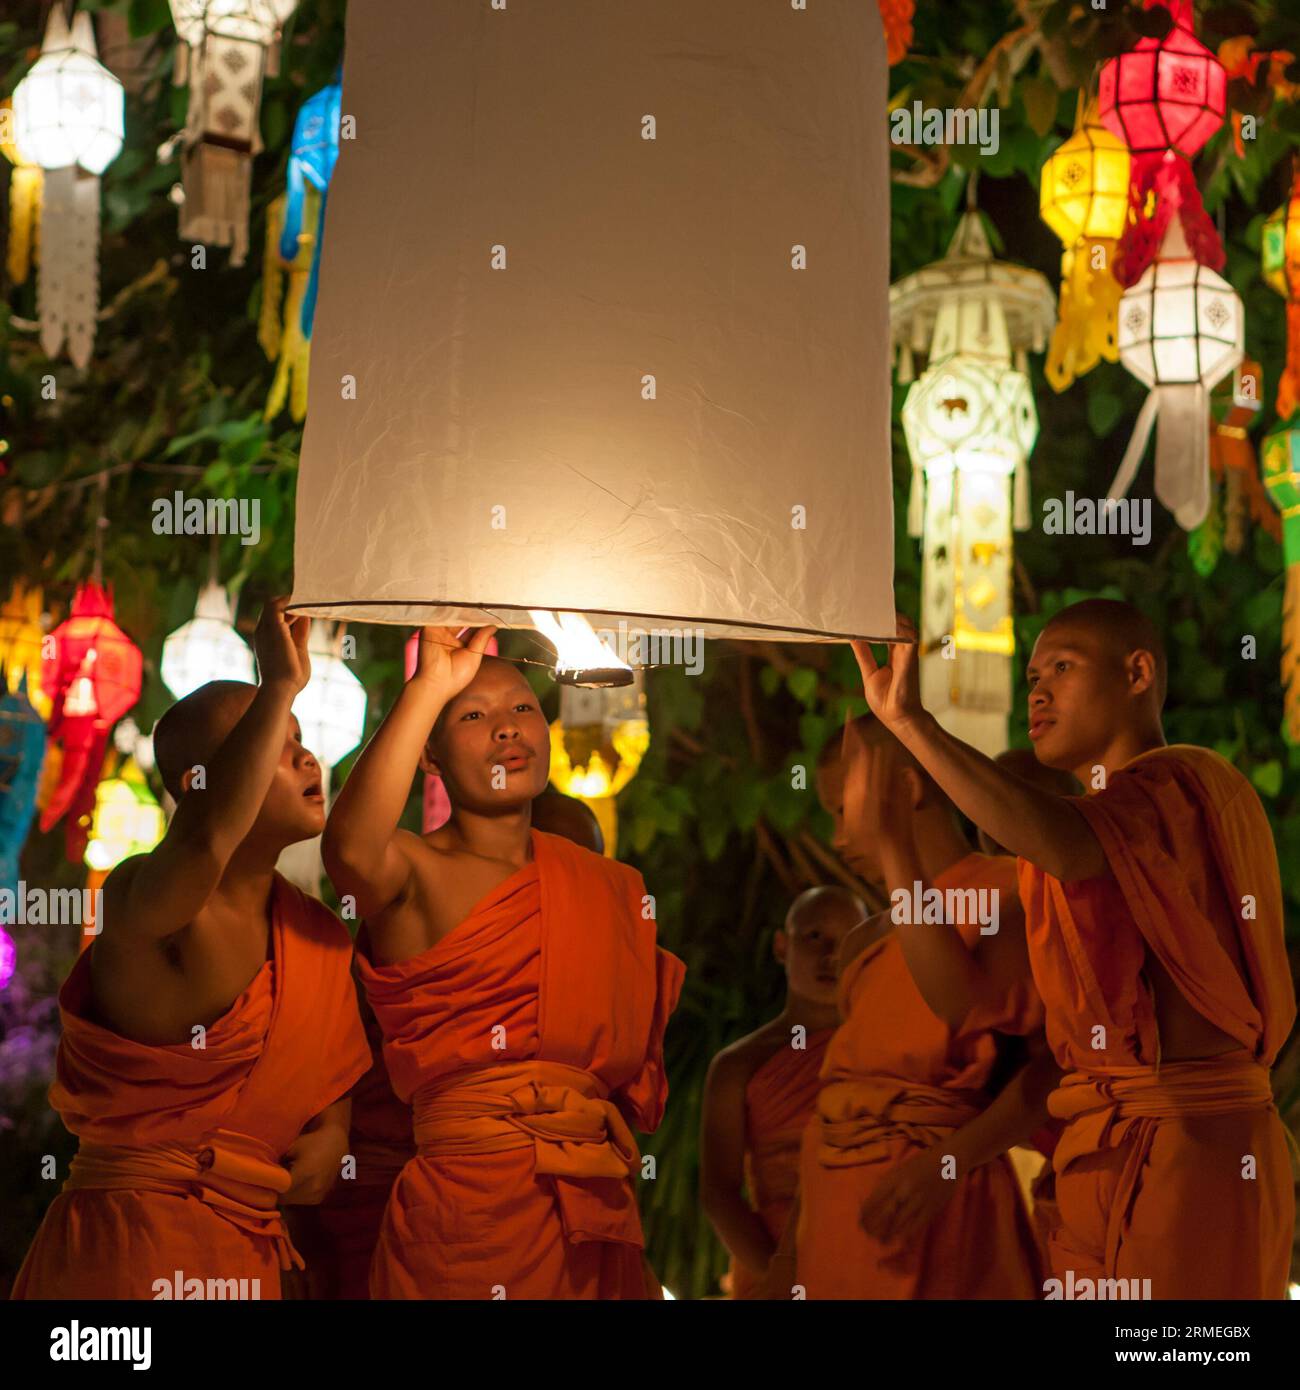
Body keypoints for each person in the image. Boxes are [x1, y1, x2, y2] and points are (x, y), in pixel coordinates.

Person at [851, 599, 1296, 1298]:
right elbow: (973, 1003)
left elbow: (1063, 838)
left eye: (1063, 666)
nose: (1038, 690)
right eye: (1032, 675)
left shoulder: (1177, 787)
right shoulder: (1086, 839)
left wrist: (912, 725)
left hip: (1192, 1148)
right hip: (1113, 1148)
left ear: (1138, 673)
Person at [12, 598, 370, 1300]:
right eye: (269, 738)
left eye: (299, 734)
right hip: (127, 1249)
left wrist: (333, 1134)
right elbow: (207, 841)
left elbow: (328, 1088)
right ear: (196, 784)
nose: (302, 752)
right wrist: (276, 687)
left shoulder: (317, 933)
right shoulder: (145, 894)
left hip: (246, 1253)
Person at [322, 628, 684, 1299]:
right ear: (430, 755)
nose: (505, 731)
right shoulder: (417, 872)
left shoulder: (609, 886)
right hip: (469, 1211)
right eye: (472, 716)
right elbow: (350, 852)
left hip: (594, 1207)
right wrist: (428, 683)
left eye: (522, 710)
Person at [290, 788, 606, 1299]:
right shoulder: (420, 938)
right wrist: (303, 1233)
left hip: (563, 1212)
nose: (576, 890)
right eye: (550, 870)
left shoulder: (598, 966)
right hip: (391, 1202)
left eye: (591, 872)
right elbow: (313, 1082)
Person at [782, 718, 1051, 1299]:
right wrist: (788, 1257)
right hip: (838, 1214)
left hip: (943, 1201)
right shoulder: (867, 942)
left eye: (840, 810)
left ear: (905, 790)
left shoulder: (1005, 895)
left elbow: (1047, 1068)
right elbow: (838, 1101)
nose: (836, 840)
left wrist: (949, 1162)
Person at [701, 886, 860, 1299]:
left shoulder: (886, 1053)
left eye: (846, 940)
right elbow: (719, 1192)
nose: (830, 954)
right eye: (814, 937)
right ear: (781, 946)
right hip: (772, 1258)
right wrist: (782, 1277)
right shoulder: (738, 1065)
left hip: (873, 1255)